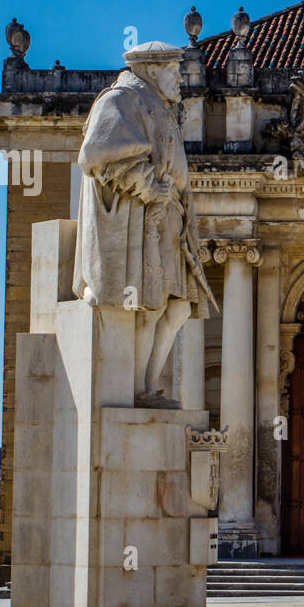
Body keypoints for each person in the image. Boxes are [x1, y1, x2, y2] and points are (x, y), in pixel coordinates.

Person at [73, 41, 217, 407]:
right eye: (174, 73)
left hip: (169, 220)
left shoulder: (158, 106)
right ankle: (140, 390)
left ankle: (148, 386)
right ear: (153, 69)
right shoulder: (121, 99)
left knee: (179, 307)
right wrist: (148, 184)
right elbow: (96, 154)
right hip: (143, 220)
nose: (181, 81)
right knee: (151, 306)